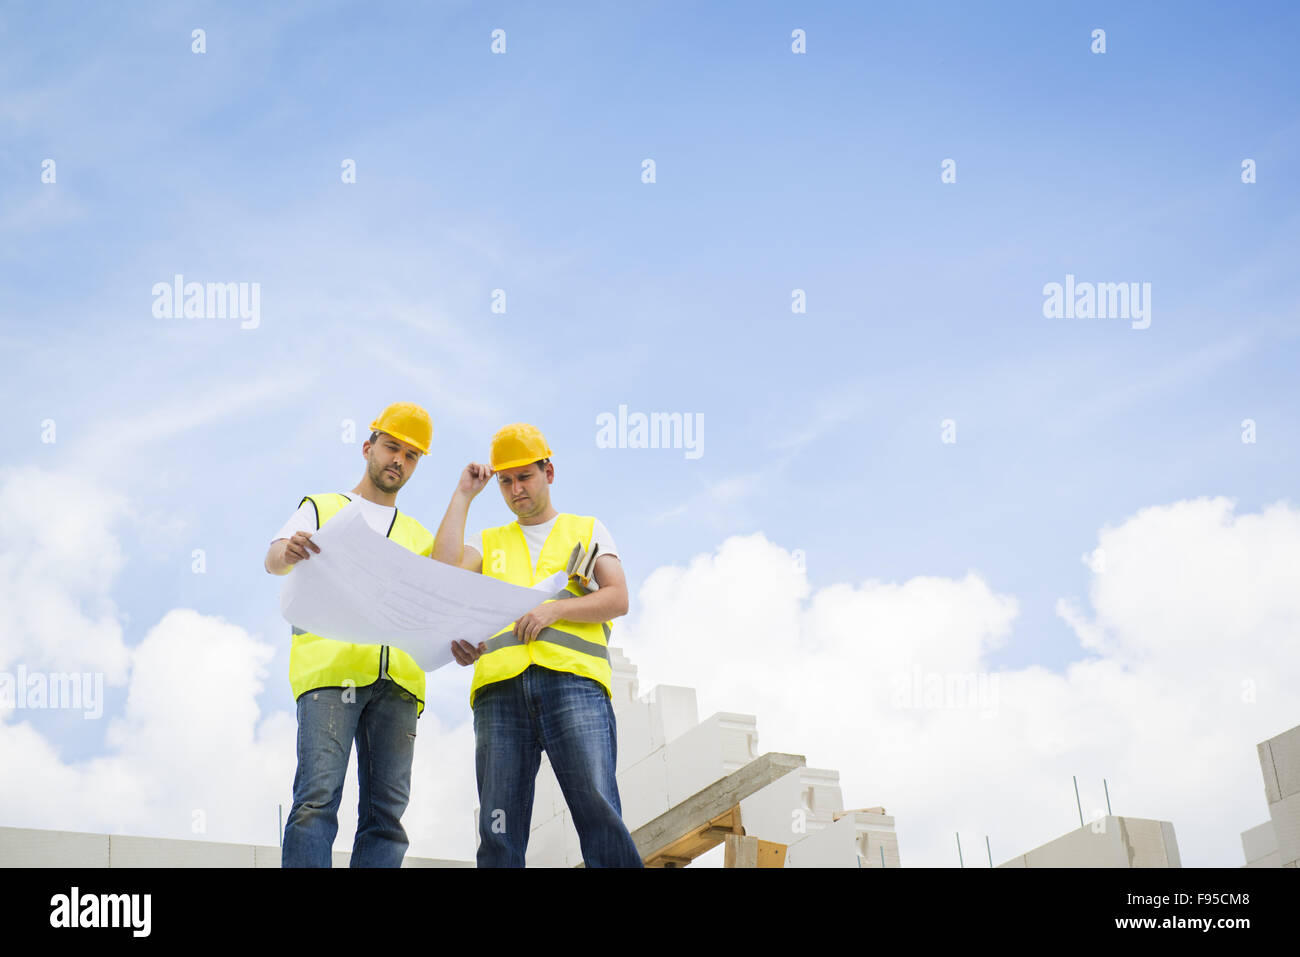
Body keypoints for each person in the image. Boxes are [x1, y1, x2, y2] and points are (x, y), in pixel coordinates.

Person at [432, 422, 643, 867]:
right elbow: (442, 574)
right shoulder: (487, 542)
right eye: (505, 482)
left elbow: (618, 597)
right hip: (499, 694)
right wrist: (463, 495)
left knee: (599, 813)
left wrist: (554, 611)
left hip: (574, 686)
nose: (515, 489)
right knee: (498, 830)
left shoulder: (586, 529)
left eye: (524, 476)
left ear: (550, 472)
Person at [265, 401, 450, 867]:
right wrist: (290, 550)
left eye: (411, 456)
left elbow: (440, 595)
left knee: (387, 818)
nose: (398, 461)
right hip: (331, 676)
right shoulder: (324, 508)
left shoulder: (417, 535)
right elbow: (272, 560)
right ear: (368, 447)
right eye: (392, 448)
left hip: (400, 684)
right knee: (316, 802)